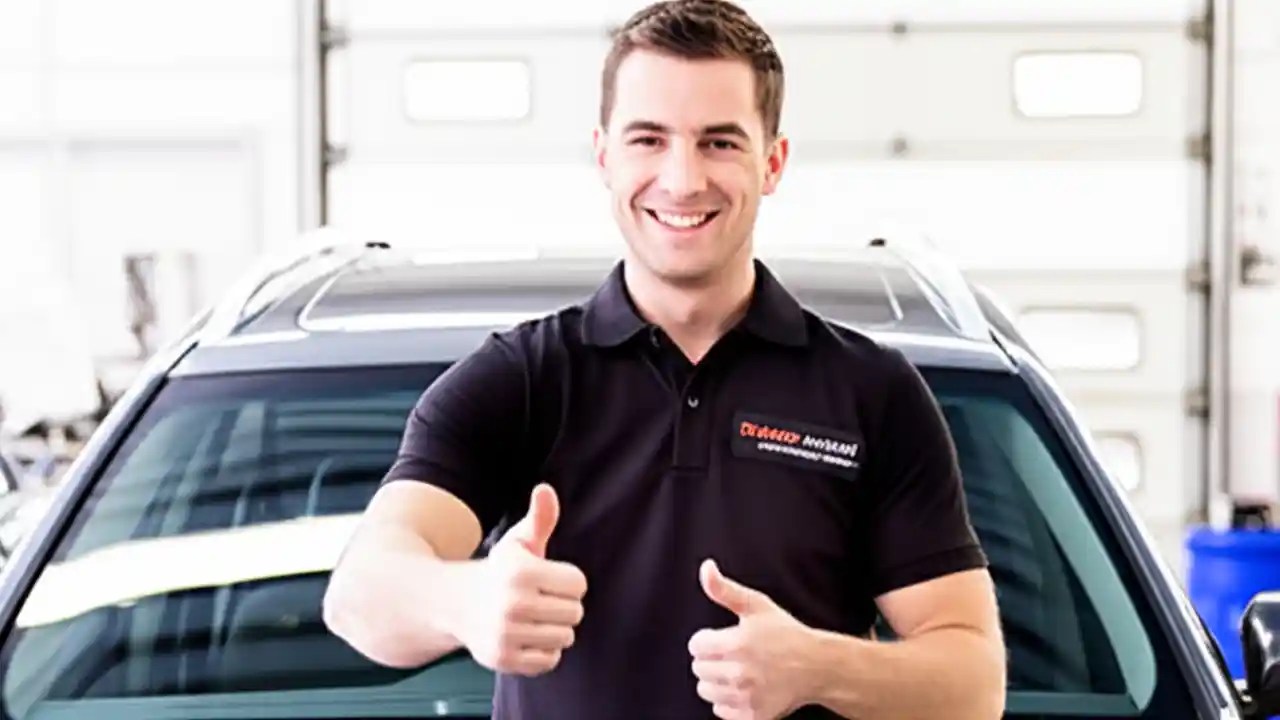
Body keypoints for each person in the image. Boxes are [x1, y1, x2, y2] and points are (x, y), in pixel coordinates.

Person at [322, 1, 1006, 717]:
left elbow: (974, 686)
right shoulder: (519, 382)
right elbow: (359, 595)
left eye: (719, 143)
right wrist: (465, 600)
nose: (682, 180)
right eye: (649, 139)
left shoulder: (872, 394)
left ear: (772, 162)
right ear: (605, 156)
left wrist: (819, 668)